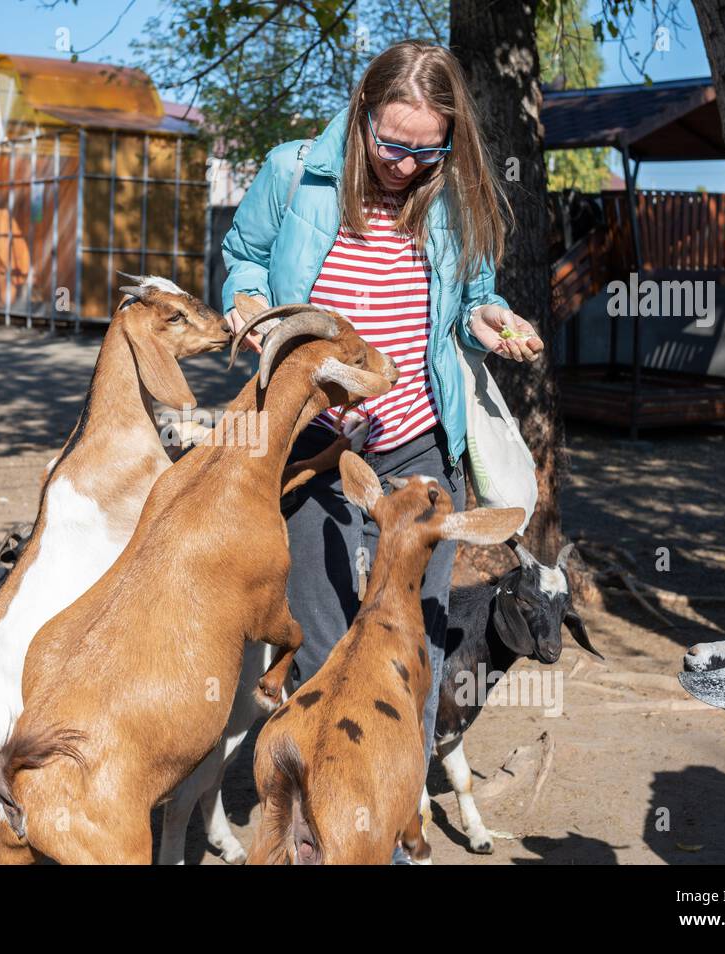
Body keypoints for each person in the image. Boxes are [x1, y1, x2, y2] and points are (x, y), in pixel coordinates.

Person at [220, 40, 545, 840]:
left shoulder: (453, 193)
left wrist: (490, 319)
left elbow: (470, 296)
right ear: (362, 112)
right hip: (313, 450)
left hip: (414, 455)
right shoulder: (294, 172)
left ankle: (398, 823)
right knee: (329, 646)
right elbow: (242, 258)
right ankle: (325, 829)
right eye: (391, 143)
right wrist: (247, 300)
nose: (405, 163)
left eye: (426, 148)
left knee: (414, 646)